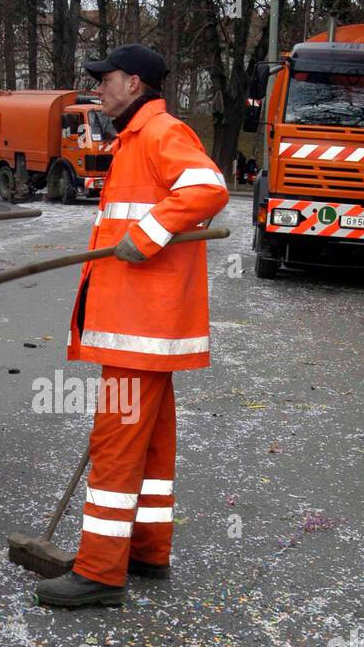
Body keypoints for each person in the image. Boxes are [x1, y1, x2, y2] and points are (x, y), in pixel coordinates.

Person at [35, 43, 227, 608]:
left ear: (136, 84)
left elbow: (209, 188)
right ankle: (145, 549)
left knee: (116, 446)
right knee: (151, 446)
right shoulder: (135, 139)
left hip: (140, 330)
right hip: (144, 330)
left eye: (107, 79)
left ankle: (98, 571)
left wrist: (145, 238)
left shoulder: (162, 133)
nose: (99, 88)